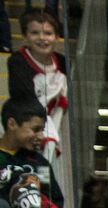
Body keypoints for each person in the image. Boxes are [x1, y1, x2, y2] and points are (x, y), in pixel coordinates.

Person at [7, 10, 66, 162]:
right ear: (25, 37)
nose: (42, 38)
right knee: (27, 171)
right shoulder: (18, 61)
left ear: (57, 37)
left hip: (53, 127)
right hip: (25, 129)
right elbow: (22, 98)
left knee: (45, 175)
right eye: (35, 33)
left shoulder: (63, 62)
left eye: (48, 33)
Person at [0, 97, 62, 208]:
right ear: (12, 124)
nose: (41, 136)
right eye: (35, 129)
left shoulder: (40, 164)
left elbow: (53, 201)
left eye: (42, 130)